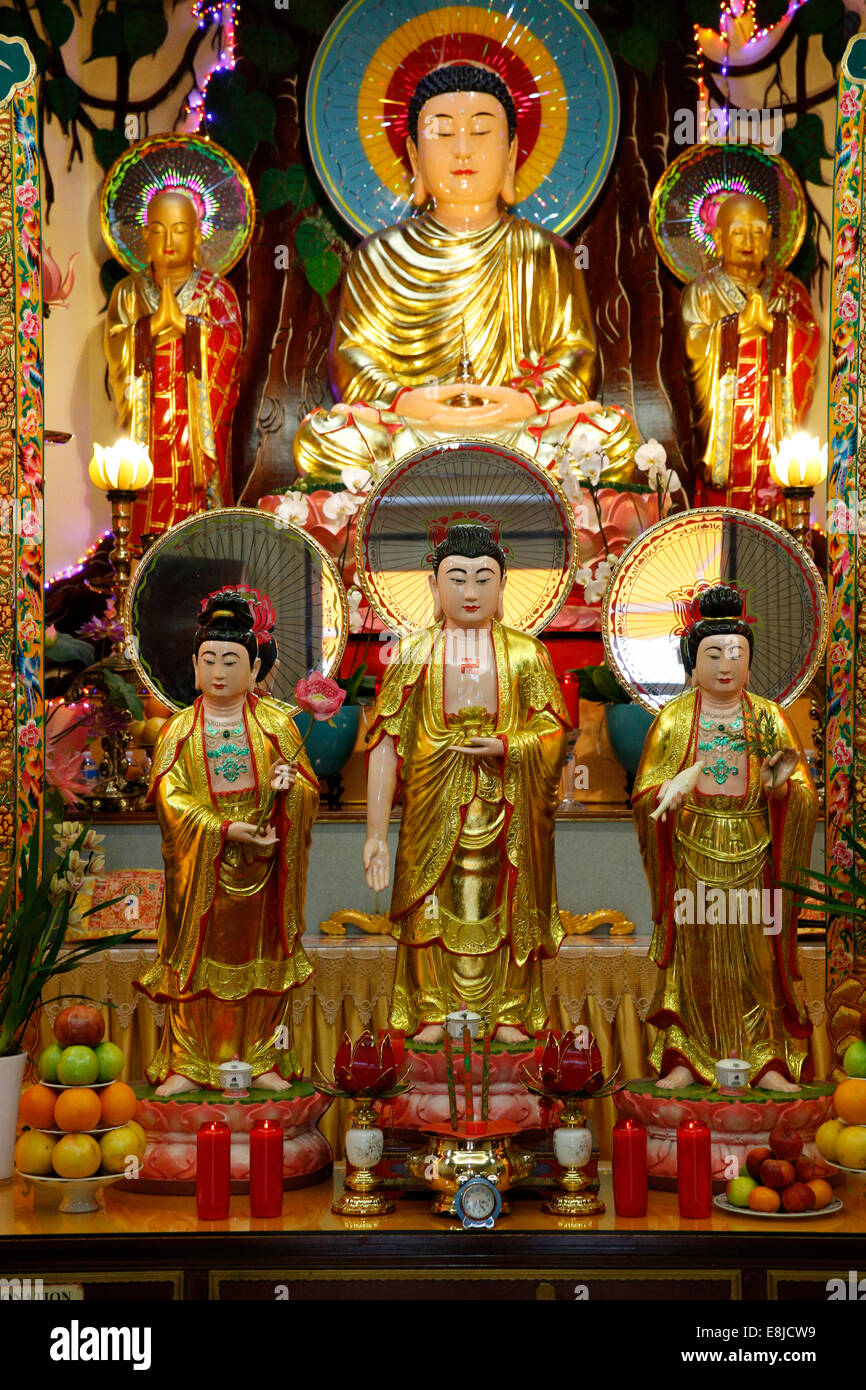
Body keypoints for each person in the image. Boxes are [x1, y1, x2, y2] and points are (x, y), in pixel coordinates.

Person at [293, 64, 638, 485]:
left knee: (609, 436)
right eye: (441, 133)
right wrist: (413, 403)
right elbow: (353, 360)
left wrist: (519, 403)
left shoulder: (547, 254)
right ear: (415, 156)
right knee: (326, 438)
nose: (462, 151)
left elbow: (577, 358)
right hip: (414, 429)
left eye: (480, 133)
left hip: (518, 428)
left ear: (510, 153)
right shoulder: (379, 255)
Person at [364, 524, 569, 1040]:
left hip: (506, 808)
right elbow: (385, 743)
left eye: (484, 578)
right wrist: (374, 835)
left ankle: (508, 1008)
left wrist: (506, 746)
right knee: (428, 904)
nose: (471, 592)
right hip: (432, 810)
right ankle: (430, 1006)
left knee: (508, 899)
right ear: (434, 588)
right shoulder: (412, 654)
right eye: (456, 578)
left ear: (503, 588)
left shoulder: (527, 654)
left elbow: (551, 732)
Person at [632, 584, 816, 1091]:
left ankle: (766, 1059)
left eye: (737, 654)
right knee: (698, 959)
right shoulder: (674, 719)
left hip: (755, 850)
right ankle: (687, 1057)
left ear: (751, 664)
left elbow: (799, 789)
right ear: (692, 666)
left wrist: (783, 789)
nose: (725, 665)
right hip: (693, 848)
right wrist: (664, 795)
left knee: (756, 957)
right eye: (713, 654)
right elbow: (646, 790)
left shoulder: (768, 717)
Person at [135, 588, 318, 1094]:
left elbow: (305, 789)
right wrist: (221, 829)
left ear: (256, 668)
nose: (219, 671)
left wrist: (289, 791)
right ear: (194, 666)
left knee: (262, 964)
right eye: (209, 659)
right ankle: (187, 1062)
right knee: (193, 960)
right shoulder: (179, 730)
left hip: (261, 867)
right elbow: (170, 800)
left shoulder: (275, 724)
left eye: (232, 660)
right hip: (204, 867)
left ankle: (261, 1058)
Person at [105, 188, 243, 545]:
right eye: (158, 229)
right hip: (146, 427)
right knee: (141, 503)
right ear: (145, 236)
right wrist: (148, 327)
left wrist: (188, 327)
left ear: (196, 236)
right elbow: (117, 350)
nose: (168, 239)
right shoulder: (127, 293)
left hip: (195, 437)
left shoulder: (216, 293)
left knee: (199, 523)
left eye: (180, 229)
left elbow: (231, 346)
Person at [681, 192, 820, 515]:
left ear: (769, 236)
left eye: (757, 231)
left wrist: (775, 325)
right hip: (726, 432)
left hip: (774, 421)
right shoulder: (700, 292)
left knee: (776, 495)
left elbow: (811, 339)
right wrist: (737, 326)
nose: (748, 240)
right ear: (718, 236)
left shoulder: (789, 289)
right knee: (723, 526)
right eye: (738, 231)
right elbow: (693, 344)